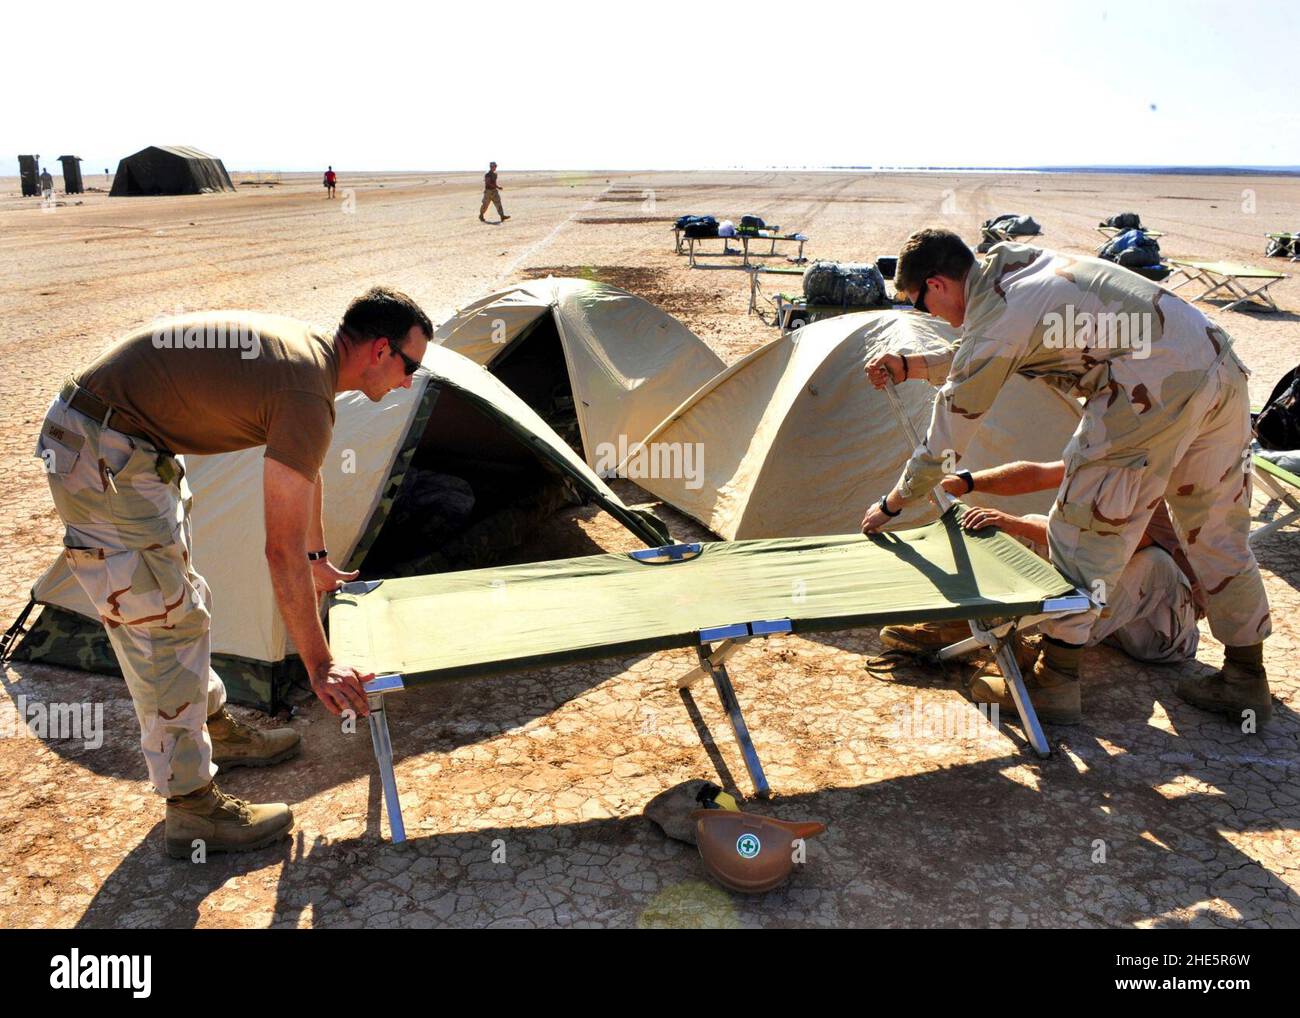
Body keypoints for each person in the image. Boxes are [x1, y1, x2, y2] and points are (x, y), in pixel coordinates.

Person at [35, 287, 432, 858]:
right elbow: (279, 551)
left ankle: (214, 729)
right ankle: (194, 809)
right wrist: (321, 666)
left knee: (183, 602)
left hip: (125, 439)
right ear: (378, 349)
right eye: (409, 365)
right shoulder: (305, 389)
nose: (409, 381)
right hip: (101, 444)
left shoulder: (314, 367)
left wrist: (318, 562)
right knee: (161, 625)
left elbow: (307, 473)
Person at [862, 229, 1272, 726]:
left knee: (1086, 526)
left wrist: (896, 502)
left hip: (1151, 384)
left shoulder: (1004, 309)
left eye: (920, 304)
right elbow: (988, 351)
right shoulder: (1023, 275)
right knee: (1218, 531)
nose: (929, 315)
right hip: (1217, 367)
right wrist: (912, 366)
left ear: (937, 284)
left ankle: (1054, 680)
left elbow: (951, 427)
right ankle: (1246, 678)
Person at [877, 461, 1204, 704]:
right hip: (1113, 626)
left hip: (1162, 637)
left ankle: (1047, 662)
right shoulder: (1122, 451)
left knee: (1152, 563)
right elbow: (1039, 474)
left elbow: (1113, 546)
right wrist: (967, 482)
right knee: (1036, 524)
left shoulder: (1158, 466)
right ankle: (969, 625)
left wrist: (1012, 524)